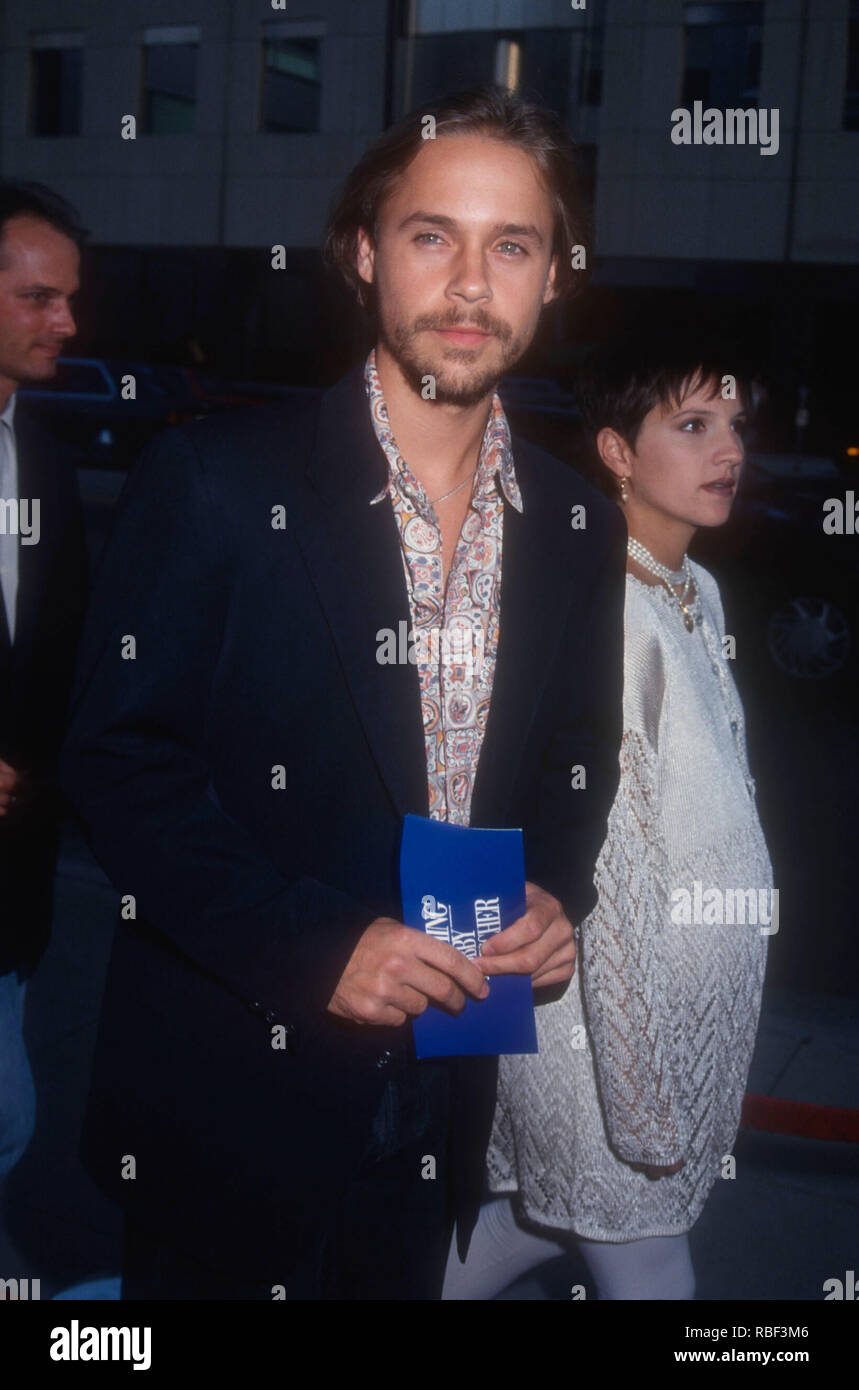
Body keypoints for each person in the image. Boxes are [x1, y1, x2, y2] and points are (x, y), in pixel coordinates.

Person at [60, 85, 627, 1301]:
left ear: (553, 279)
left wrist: (553, 894)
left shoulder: (580, 524)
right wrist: (310, 944)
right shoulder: (213, 481)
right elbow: (118, 762)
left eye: (511, 245)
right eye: (433, 236)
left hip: (444, 1094)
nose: (471, 283)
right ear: (364, 254)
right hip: (234, 1095)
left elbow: (580, 757)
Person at [444, 330, 773, 1301]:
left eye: (735, 425)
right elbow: (616, 877)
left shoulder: (695, 589)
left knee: (520, 1228)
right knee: (649, 1266)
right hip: (601, 1046)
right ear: (617, 451)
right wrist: (642, 1105)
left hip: (659, 1033)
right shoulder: (612, 617)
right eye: (692, 424)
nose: (729, 451)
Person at [0, 182, 87, 1185]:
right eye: (37, 298)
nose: (67, 321)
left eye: (69, 297)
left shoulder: (48, 465)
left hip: (13, 899)